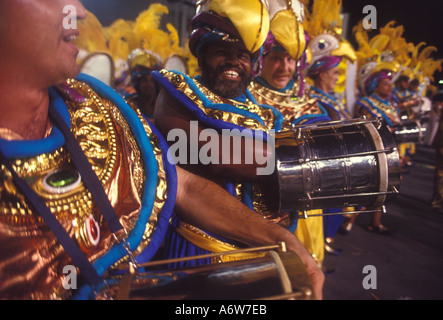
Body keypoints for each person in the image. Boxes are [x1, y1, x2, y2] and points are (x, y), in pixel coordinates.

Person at [0, 0, 324, 300]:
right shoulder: (177, 92)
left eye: (244, 55)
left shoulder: (98, 107)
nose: (79, 10)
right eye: (224, 50)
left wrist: (279, 238)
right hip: (193, 248)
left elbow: (181, 183)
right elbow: (215, 154)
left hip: (237, 259)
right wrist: (290, 158)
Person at [248, 30, 331, 266]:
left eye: (290, 59)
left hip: (306, 201)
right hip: (259, 201)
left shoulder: (309, 101)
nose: (284, 67)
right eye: (275, 58)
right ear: (261, 59)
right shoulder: (245, 97)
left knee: (305, 270)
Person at [342, 70, 398, 235]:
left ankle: (375, 222)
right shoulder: (365, 103)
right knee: (366, 188)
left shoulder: (390, 103)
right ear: (375, 85)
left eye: (390, 84)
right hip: (371, 150)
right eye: (385, 83)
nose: (389, 87)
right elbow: (366, 128)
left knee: (384, 188)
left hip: (389, 148)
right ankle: (348, 220)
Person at [126, 48, 164, 120]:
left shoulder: (164, 106)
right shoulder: (131, 106)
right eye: (144, 80)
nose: (149, 84)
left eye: (152, 81)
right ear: (137, 83)